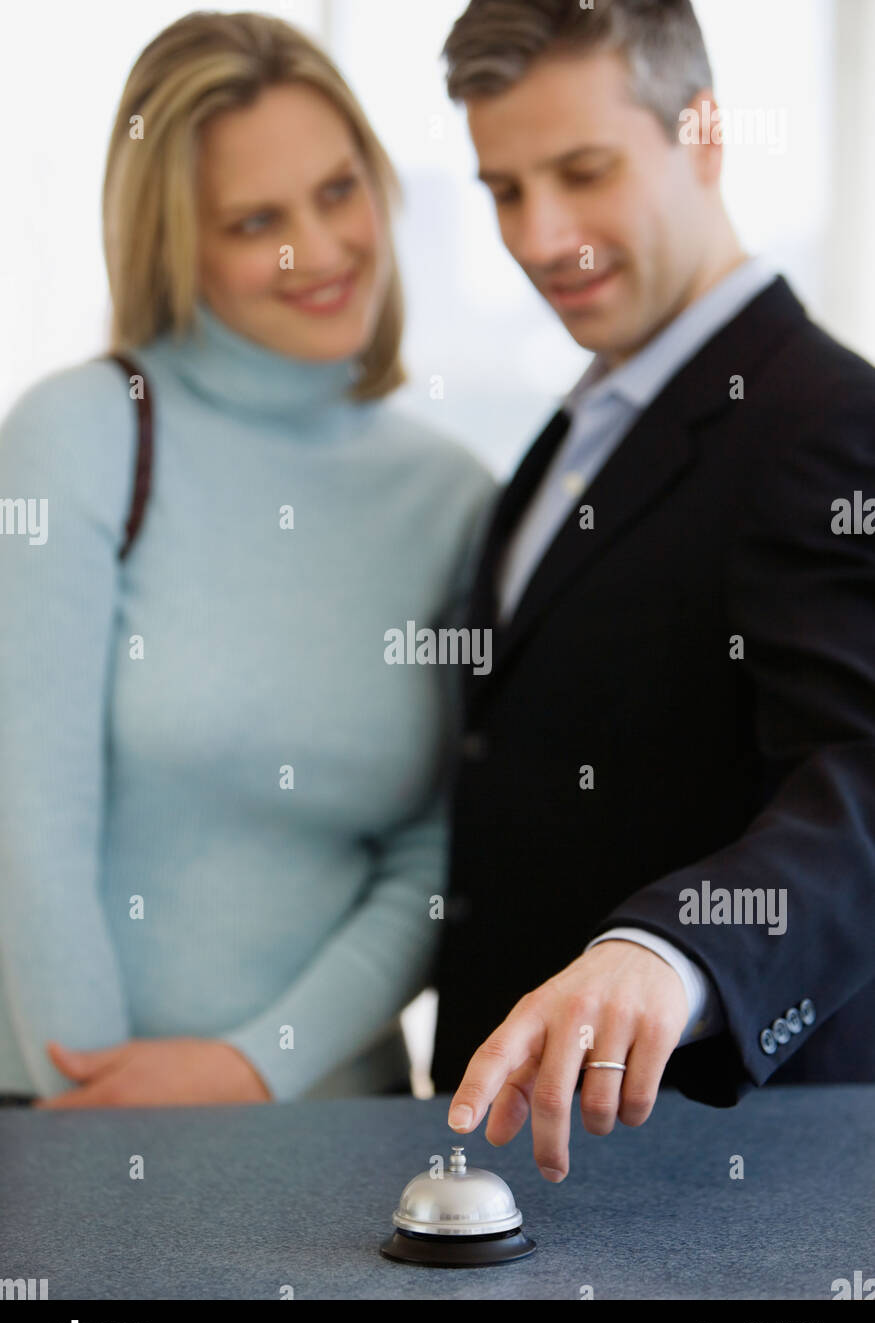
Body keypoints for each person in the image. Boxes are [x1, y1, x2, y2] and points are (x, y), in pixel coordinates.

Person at [0, 11, 494, 1107]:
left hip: (341, 1134)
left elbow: (433, 858)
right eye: (254, 220)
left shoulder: (455, 498)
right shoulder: (77, 435)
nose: (316, 250)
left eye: (336, 191)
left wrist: (252, 1067)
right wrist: (100, 1129)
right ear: (176, 243)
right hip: (69, 1113)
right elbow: (29, 830)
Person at [430, 0, 875, 1180]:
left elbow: (860, 773)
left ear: (704, 134)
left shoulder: (829, 421)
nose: (540, 236)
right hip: (524, 1160)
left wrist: (673, 953)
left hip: (717, 1171)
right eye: (502, 189)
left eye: (583, 172)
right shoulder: (586, 420)